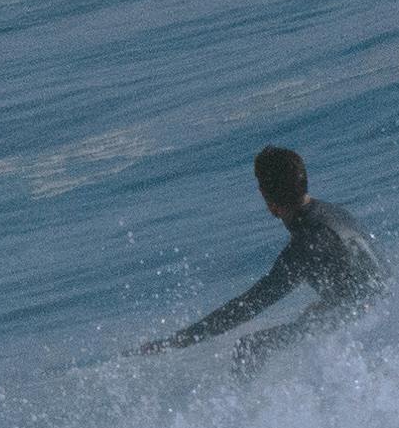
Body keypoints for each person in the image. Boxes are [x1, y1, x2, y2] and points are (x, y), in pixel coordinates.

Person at [143, 144, 385, 354]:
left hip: (363, 318)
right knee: (311, 314)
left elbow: (249, 306)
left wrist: (176, 342)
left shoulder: (307, 244)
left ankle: (245, 407)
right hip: (385, 306)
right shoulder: (334, 212)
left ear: (266, 198)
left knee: (250, 347)